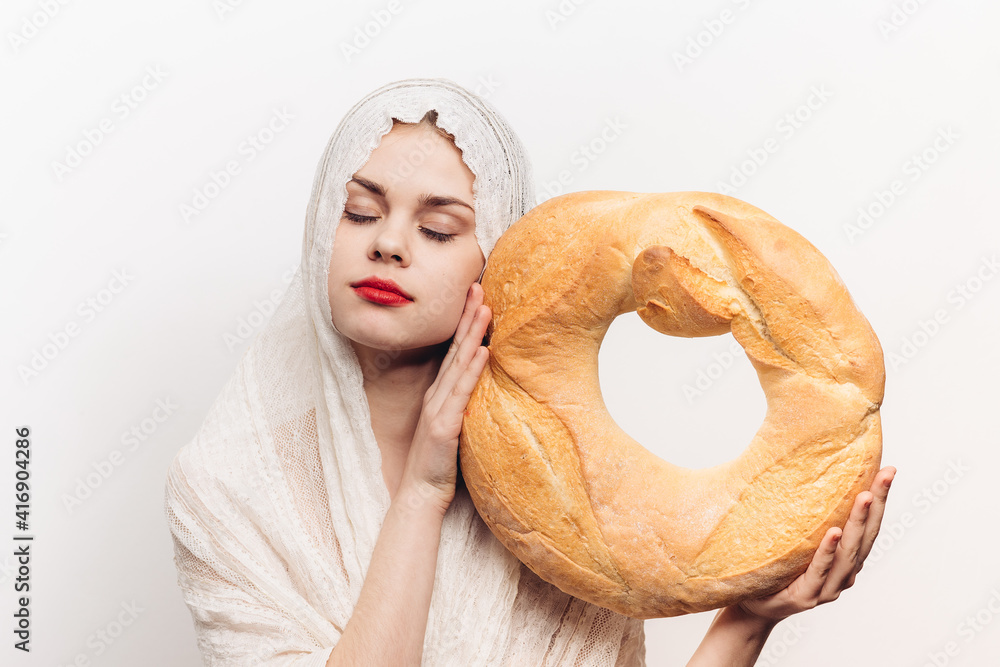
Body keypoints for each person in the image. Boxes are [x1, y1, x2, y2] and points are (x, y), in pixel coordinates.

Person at [164, 77, 895, 666]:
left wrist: (747, 624)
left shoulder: (559, 502)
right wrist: (421, 492)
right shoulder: (226, 488)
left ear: (496, 261)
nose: (388, 243)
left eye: (438, 228)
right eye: (359, 212)